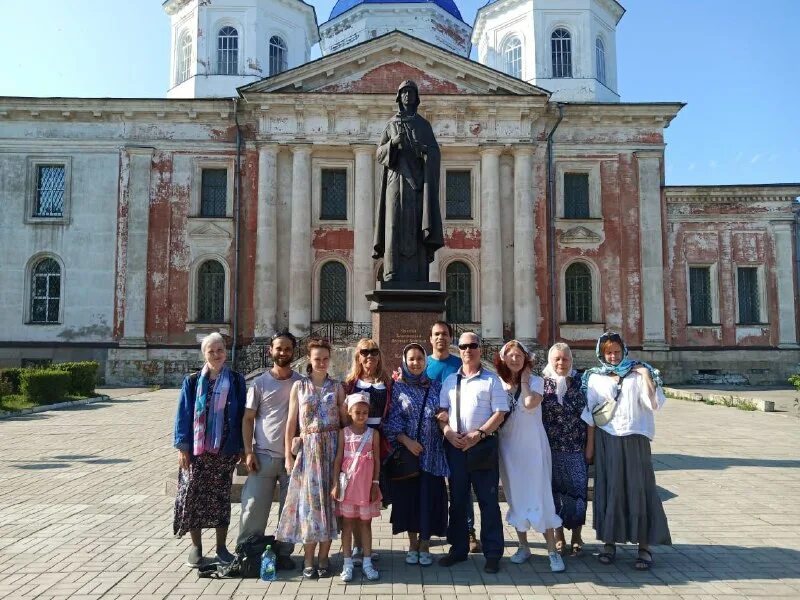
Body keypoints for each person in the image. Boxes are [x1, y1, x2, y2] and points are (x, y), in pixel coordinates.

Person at [581, 331, 671, 570]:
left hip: (635, 438)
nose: (613, 357)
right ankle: (609, 543)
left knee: (639, 489)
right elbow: (590, 414)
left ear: (624, 352)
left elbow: (654, 404)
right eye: (608, 352)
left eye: (617, 352)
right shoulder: (594, 377)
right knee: (610, 490)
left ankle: (644, 547)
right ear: (601, 353)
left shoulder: (639, 373)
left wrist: (646, 376)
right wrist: (589, 447)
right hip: (606, 439)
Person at [173, 332, 246, 567]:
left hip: (224, 451)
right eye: (211, 351)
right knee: (193, 495)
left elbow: (243, 415)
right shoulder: (193, 381)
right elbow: (183, 414)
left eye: (220, 350)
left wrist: (243, 447)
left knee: (220, 498)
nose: (216, 354)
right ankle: (196, 547)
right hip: (197, 452)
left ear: (226, 352)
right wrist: (183, 447)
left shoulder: (236, 380)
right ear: (204, 354)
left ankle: (222, 548)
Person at [437, 332, 509, 574]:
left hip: (481, 447)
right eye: (464, 346)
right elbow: (441, 413)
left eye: (472, 345)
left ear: (480, 349)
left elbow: (500, 413)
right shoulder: (449, 381)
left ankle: (493, 554)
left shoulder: (491, 380)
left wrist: (478, 434)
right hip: (456, 447)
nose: (468, 350)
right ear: (459, 350)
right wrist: (447, 431)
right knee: (457, 502)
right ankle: (458, 550)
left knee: (488, 502)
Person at [276, 339, 345, 579]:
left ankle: (324, 558)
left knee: (328, 505)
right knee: (309, 508)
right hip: (308, 453)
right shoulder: (300, 387)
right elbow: (291, 422)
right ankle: (308, 559)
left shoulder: (337, 387)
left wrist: (344, 454)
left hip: (331, 450)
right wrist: (287, 454)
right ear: (309, 360)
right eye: (317, 358)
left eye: (325, 358)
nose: (322, 363)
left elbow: (344, 423)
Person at [494, 340, 564, 572]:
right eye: (511, 356)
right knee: (516, 495)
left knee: (540, 494)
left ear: (526, 359)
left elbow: (529, 403)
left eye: (519, 356)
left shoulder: (537, 381)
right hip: (509, 447)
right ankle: (524, 546)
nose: (515, 359)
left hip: (533, 446)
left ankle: (553, 551)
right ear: (504, 359)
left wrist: (523, 380)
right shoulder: (499, 384)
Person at [237, 330, 302, 571]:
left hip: (292, 458)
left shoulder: (300, 383)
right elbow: (248, 419)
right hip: (263, 456)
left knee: (289, 511)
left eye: (287, 348)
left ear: (294, 352)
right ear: (270, 351)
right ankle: (247, 551)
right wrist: (248, 451)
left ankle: (284, 553)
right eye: (279, 348)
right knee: (253, 506)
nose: (283, 352)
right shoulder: (260, 383)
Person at [383, 343, 448, 567]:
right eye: (411, 359)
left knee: (429, 500)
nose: (416, 363)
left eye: (420, 358)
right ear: (405, 361)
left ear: (426, 361)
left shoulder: (437, 386)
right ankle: (412, 544)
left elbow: (444, 410)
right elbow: (392, 422)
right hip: (409, 456)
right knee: (410, 500)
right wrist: (407, 442)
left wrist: (444, 417)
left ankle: (425, 543)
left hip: (433, 456)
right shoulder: (398, 388)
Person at [373, 79, 444, 283]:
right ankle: (392, 272)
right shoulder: (391, 124)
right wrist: (393, 144)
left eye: (410, 92)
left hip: (418, 186)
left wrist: (425, 151)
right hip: (396, 182)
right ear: (399, 97)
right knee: (394, 225)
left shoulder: (423, 125)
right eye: (403, 92)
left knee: (416, 226)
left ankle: (419, 273)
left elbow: (435, 153)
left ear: (416, 97)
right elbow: (379, 154)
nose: (407, 96)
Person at [425, 320, 480, 554]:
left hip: (456, 434)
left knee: (461, 486)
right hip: (428, 435)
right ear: (430, 338)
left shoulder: (459, 364)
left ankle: (468, 532)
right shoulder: (422, 363)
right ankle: (428, 530)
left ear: (451, 339)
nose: (441, 338)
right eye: (436, 334)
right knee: (429, 486)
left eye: (445, 334)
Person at [540, 342, 593, 558]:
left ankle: (577, 536)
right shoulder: (542, 385)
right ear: (551, 361)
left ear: (571, 361)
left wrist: (590, 447)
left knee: (578, 494)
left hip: (575, 449)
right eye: (557, 359)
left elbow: (591, 418)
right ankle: (559, 537)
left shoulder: (581, 384)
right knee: (555, 495)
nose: (561, 363)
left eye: (565, 359)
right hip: (551, 449)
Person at [343, 338, 391, 563]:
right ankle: (356, 546)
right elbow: (344, 413)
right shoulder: (351, 383)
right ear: (358, 356)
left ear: (379, 355)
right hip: (354, 441)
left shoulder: (387, 382)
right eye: (365, 352)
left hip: (377, 439)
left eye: (373, 352)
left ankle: (366, 545)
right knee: (353, 492)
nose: (369, 356)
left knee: (370, 490)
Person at [331, 393, 382, 582]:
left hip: (366, 486)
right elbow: (338, 459)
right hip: (348, 487)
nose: (361, 416)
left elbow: (376, 460)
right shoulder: (343, 433)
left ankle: (368, 562)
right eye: (358, 412)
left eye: (365, 412)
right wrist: (335, 483)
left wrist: (375, 484)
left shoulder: (373, 434)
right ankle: (347, 563)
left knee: (365, 524)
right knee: (347, 524)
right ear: (350, 413)